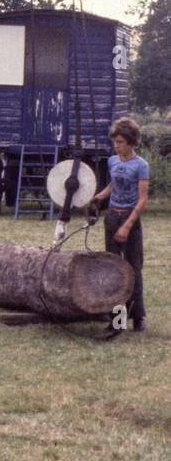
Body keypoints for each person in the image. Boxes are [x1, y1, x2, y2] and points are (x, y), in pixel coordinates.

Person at [89, 117, 150, 332]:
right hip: (112, 217)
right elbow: (113, 186)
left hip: (130, 219)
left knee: (133, 268)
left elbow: (142, 200)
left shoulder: (141, 166)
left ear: (132, 142)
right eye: (115, 142)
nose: (117, 145)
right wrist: (99, 196)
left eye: (121, 142)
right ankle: (117, 319)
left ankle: (138, 316)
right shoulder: (112, 161)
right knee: (113, 268)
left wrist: (127, 226)